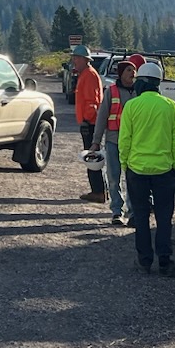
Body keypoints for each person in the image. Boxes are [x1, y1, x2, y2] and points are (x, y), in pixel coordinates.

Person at [119, 61, 175, 276]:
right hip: (164, 170)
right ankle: (165, 261)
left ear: (142, 82)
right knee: (164, 217)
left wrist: (124, 164)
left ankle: (144, 260)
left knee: (141, 215)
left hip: (137, 169)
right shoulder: (170, 106)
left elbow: (125, 140)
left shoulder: (132, 106)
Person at [92, 58, 139, 224]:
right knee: (114, 177)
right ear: (121, 73)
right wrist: (96, 141)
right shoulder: (111, 91)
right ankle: (116, 212)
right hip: (113, 141)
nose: (132, 73)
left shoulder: (139, 91)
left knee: (132, 179)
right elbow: (102, 117)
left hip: (134, 143)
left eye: (134, 70)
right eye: (129, 70)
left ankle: (132, 213)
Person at [70, 44, 106, 204]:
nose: (74, 61)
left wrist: (86, 120)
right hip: (89, 122)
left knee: (92, 157)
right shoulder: (86, 74)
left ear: (85, 60)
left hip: (90, 123)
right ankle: (100, 190)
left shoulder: (89, 75)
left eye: (76, 58)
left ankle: (98, 192)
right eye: (74, 57)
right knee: (93, 157)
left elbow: (93, 101)